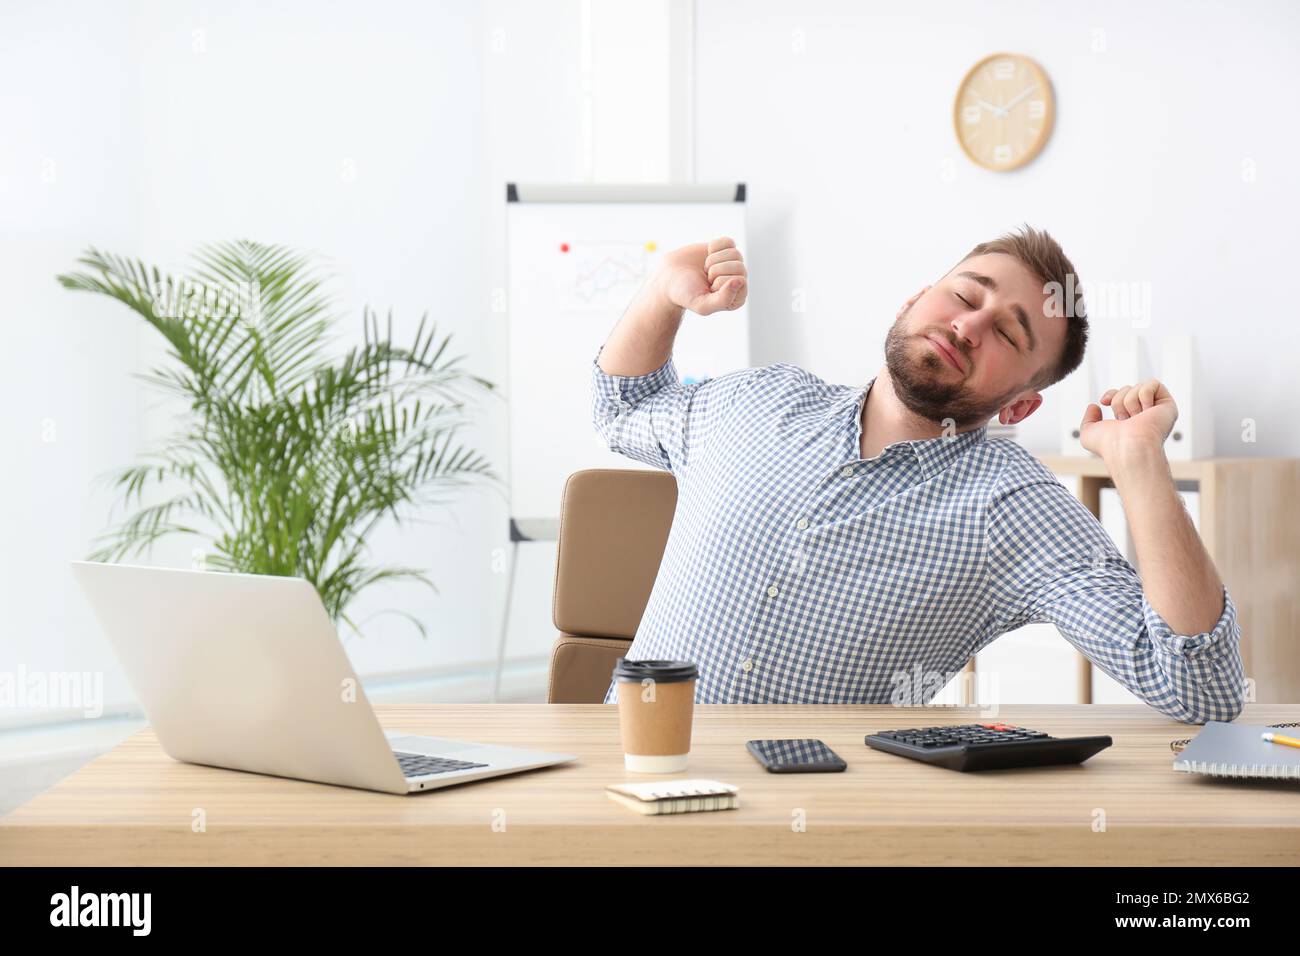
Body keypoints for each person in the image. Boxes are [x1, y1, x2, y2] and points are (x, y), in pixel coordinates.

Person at [590, 227, 1243, 723]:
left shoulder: (1012, 508)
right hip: (623, 785)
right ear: (914, 302)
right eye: (963, 296)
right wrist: (660, 293)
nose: (967, 326)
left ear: (1019, 405)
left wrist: (1139, 463)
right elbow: (626, 407)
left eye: (1009, 335)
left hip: (798, 830)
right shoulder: (758, 401)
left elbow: (1200, 692)